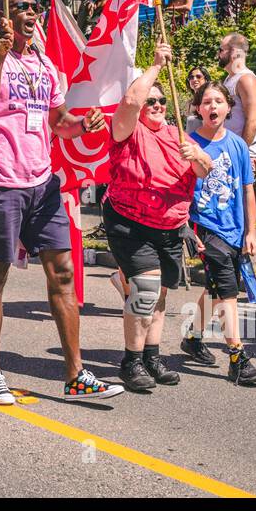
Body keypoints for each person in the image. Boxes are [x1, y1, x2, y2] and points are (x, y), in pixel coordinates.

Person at [0, 0, 123, 403]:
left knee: (63, 274)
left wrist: (81, 125)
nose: (32, 13)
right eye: (22, 8)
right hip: (0, 181)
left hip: (42, 182)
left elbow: (59, 122)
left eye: (35, 8)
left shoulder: (46, 65)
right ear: (3, 16)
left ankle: (75, 374)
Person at [104, 53, 210, 391]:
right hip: (130, 222)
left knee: (160, 296)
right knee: (146, 290)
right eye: (152, 100)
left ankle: (151, 356)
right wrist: (156, 67)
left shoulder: (177, 134)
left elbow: (205, 169)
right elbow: (132, 100)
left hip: (169, 226)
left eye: (163, 101)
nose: (158, 104)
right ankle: (131, 361)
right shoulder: (128, 129)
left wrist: (199, 158)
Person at [181, 81, 256, 385]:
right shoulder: (189, 144)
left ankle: (192, 337)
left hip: (235, 228)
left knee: (216, 289)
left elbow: (247, 190)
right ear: (197, 108)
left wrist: (251, 232)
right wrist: (187, 229)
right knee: (228, 292)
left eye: (218, 101)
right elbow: (179, 190)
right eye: (206, 102)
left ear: (229, 107)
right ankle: (238, 358)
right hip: (205, 226)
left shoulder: (238, 145)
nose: (212, 106)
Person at [218, 33, 256, 170]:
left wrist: (239, 153)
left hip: (244, 155)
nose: (217, 54)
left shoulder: (246, 80)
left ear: (235, 53)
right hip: (230, 153)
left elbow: (253, 121)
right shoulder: (230, 78)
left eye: (221, 50)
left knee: (244, 192)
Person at [184, 66, 210, 132]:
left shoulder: (210, 100)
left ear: (206, 79)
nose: (194, 79)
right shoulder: (189, 103)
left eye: (198, 76)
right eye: (191, 77)